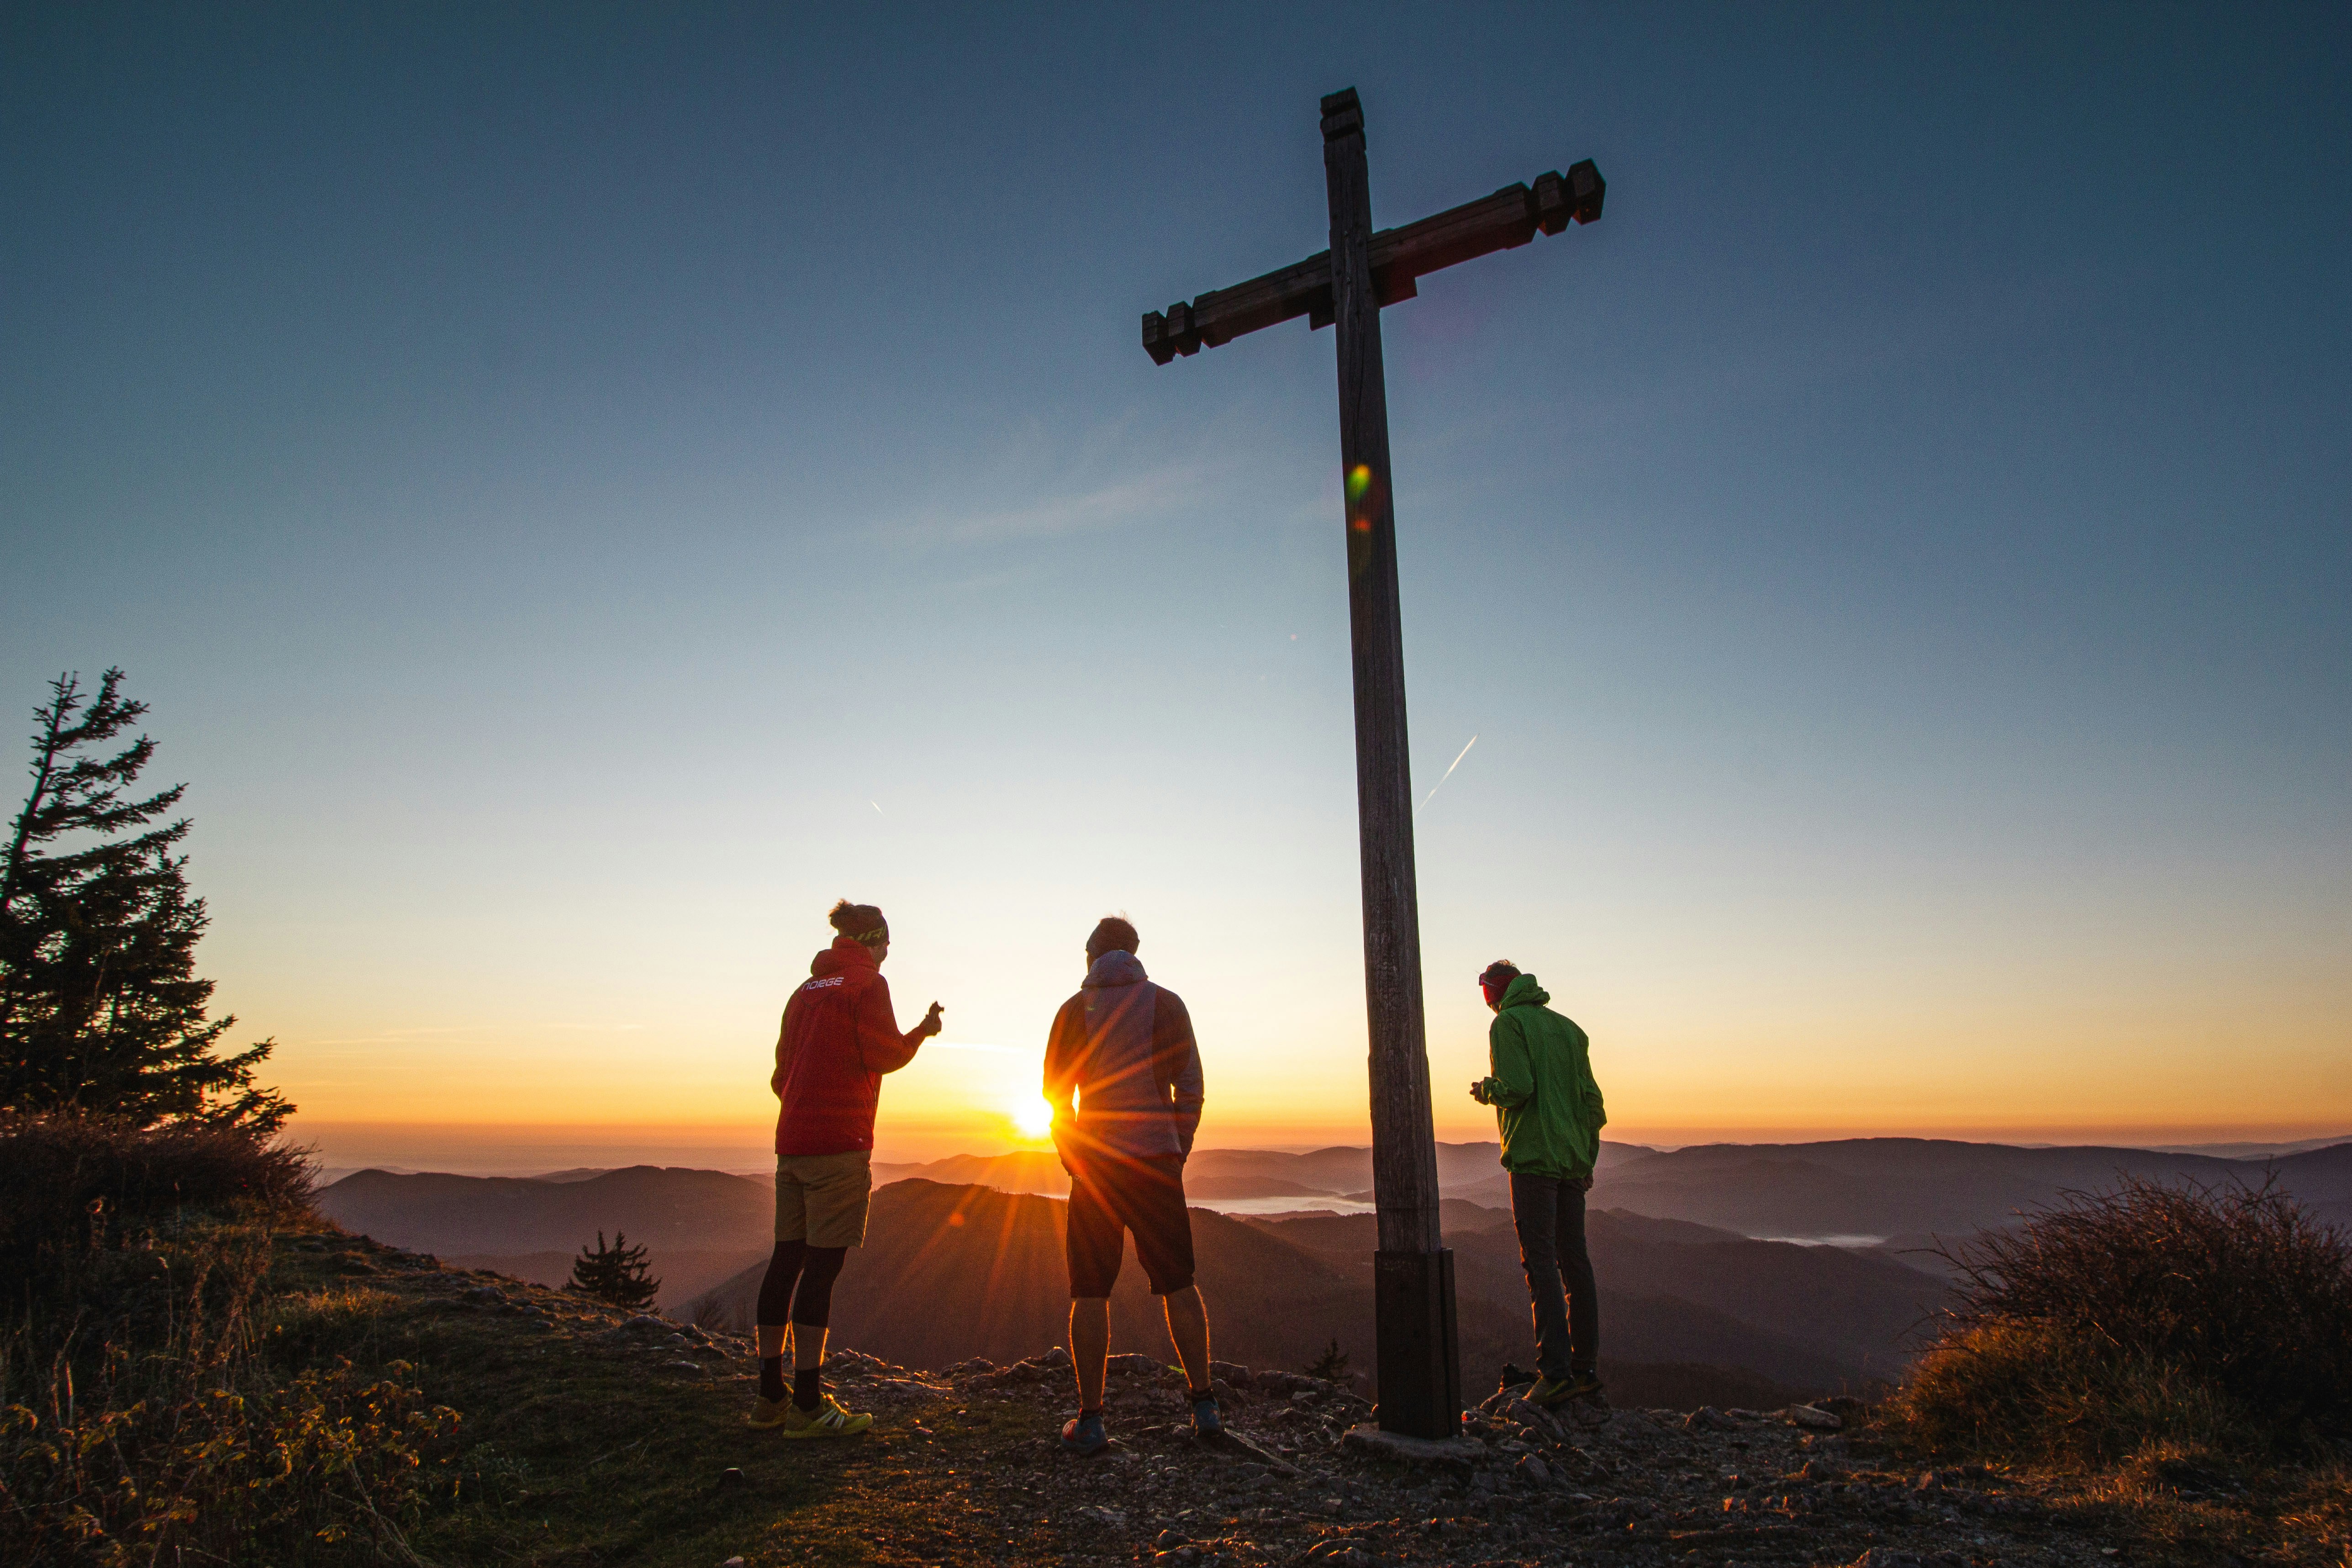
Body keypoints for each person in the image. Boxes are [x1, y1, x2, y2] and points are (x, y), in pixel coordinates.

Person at [749, 899, 943, 1436]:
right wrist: (921, 1034)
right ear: (874, 939)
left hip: (791, 1144)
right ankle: (809, 1404)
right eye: (887, 944)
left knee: (784, 1260)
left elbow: (779, 1075)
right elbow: (883, 1055)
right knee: (822, 1267)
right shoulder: (867, 985)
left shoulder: (804, 992)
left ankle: (769, 1396)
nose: (888, 954)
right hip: (839, 1145)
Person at [1043, 915, 1213, 1455]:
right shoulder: (1167, 1003)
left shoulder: (1073, 1009)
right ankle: (1204, 1405)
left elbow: (1054, 1097)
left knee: (1089, 1289)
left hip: (1095, 1166)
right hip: (1155, 1165)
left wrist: (1074, 1157)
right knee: (1178, 1281)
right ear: (1134, 951)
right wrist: (1174, 1147)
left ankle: (1091, 1419)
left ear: (1091, 954)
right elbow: (1190, 1086)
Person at [1470, 959, 1607, 1407]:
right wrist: (1587, 1157)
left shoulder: (1507, 1024)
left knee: (1541, 1263)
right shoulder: (1570, 1030)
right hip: (1572, 1158)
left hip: (1532, 1157)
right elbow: (1592, 1104)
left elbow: (1518, 1087)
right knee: (1575, 1261)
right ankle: (1584, 1370)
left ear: (1493, 994)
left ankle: (1555, 1374)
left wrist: (1487, 1089)